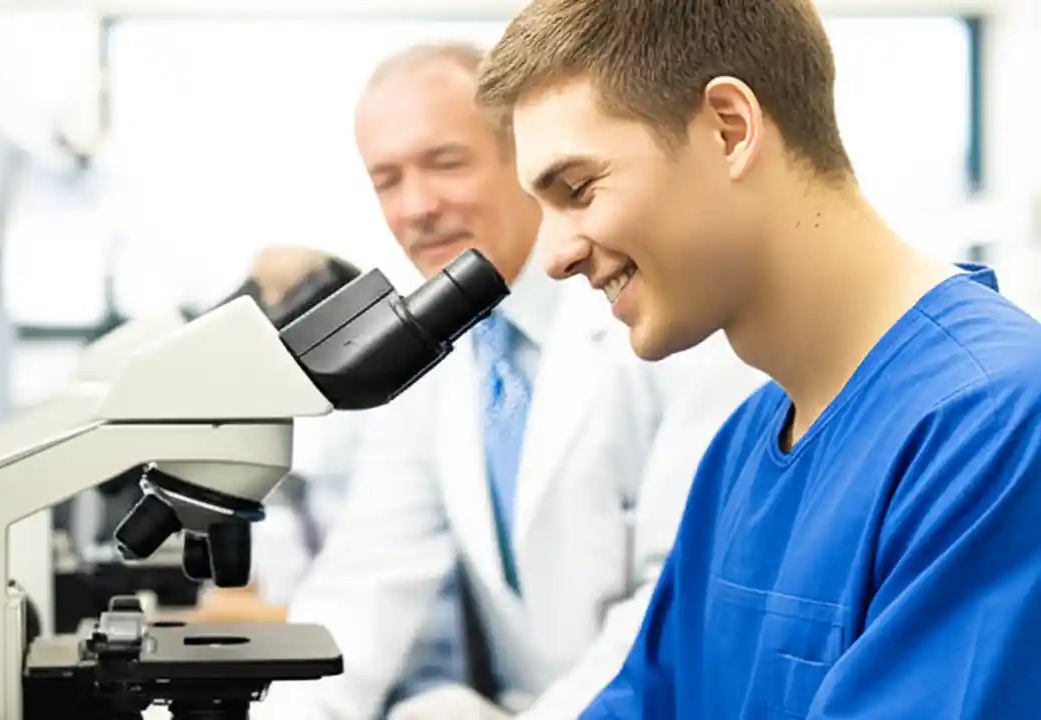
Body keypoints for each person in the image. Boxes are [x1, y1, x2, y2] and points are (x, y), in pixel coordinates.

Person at [474, 1, 1041, 717]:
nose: (552, 256)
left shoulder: (995, 422)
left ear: (728, 129)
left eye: (579, 190)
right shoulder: (741, 449)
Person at [256, 43, 765, 719]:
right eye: (387, 180)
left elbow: (675, 594)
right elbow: (368, 575)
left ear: (523, 160)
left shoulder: (661, 320)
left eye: (446, 164)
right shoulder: (433, 359)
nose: (418, 207)